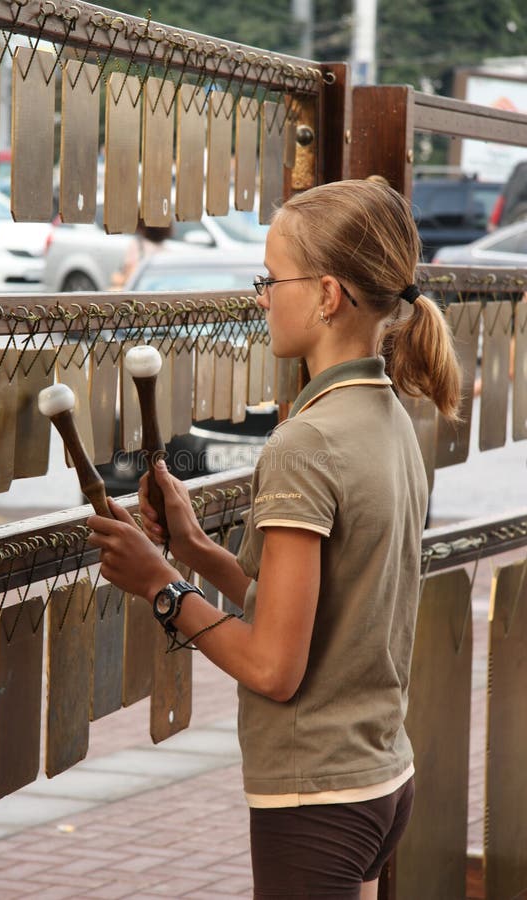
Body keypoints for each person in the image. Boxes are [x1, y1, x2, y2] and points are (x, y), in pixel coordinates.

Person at [87, 179, 461, 899]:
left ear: (325, 295)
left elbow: (273, 668)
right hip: (380, 777)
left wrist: (160, 586)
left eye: (271, 277)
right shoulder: (387, 421)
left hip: (315, 796)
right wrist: (195, 550)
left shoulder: (304, 444)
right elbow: (318, 610)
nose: (262, 294)